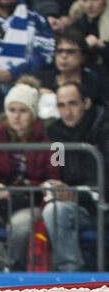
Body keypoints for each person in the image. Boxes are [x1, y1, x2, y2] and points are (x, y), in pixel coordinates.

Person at [0, 81, 65, 271]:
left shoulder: (50, 139)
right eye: (12, 110)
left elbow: (55, 175)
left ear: (33, 113)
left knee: (20, 225)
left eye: (23, 111)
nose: (16, 116)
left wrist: (25, 187)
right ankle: (3, 267)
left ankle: (11, 267)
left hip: (31, 202)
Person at [44, 80, 107, 272]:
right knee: (54, 210)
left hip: (102, 204)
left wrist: (79, 195)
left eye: (72, 104)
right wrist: (54, 185)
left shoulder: (104, 130)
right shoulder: (56, 134)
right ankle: (69, 275)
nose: (67, 111)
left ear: (86, 103)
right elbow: (56, 167)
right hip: (77, 205)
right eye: (61, 105)